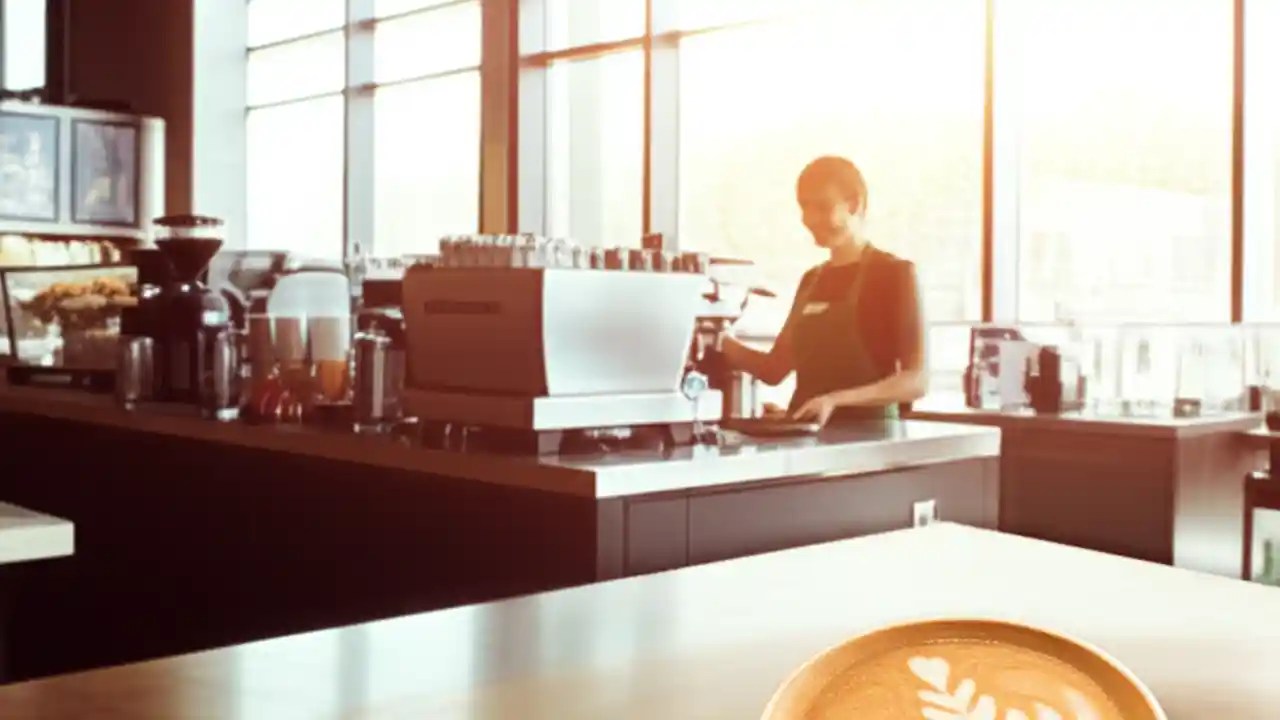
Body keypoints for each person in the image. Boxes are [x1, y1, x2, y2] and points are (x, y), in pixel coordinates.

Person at [719, 155, 927, 425]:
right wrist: (719, 341)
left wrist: (834, 400)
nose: (810, 218)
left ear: (854, 204)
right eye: (804, 206)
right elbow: (774, 369)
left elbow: (916, 381)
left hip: (869, 438)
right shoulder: (811, 281)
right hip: (809, 436)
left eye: (822, 206)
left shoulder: (895, 274)